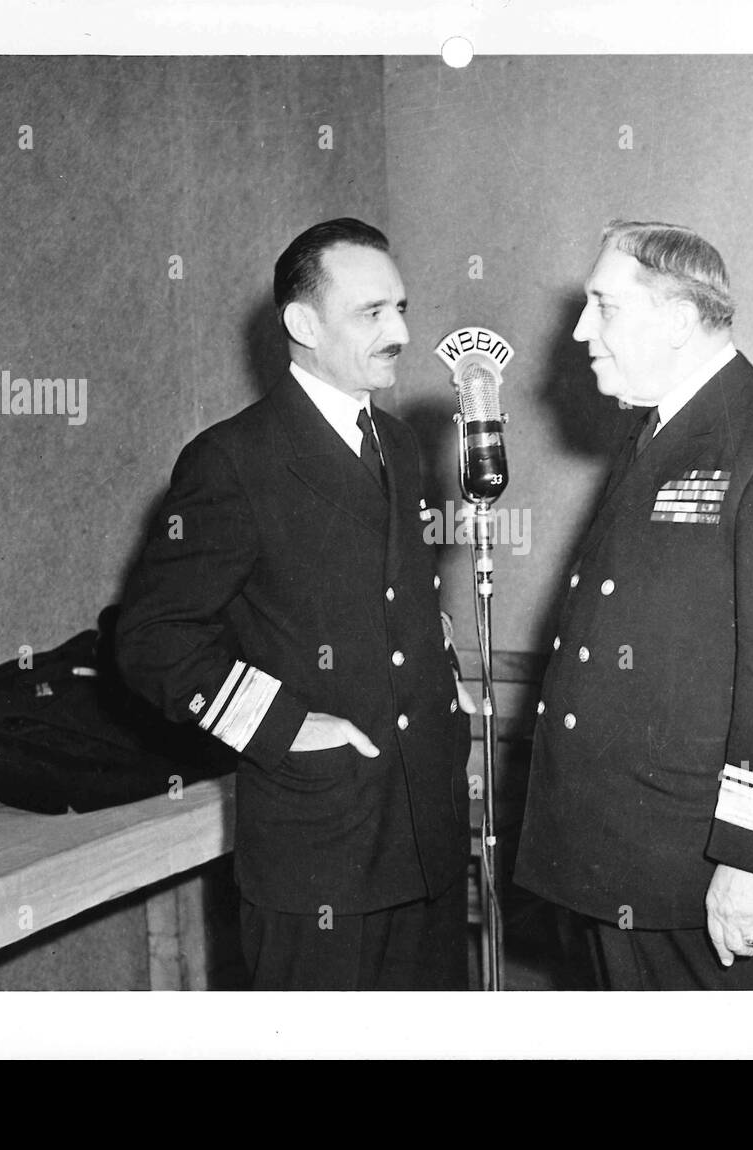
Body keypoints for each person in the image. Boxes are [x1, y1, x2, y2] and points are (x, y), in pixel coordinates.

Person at [116, 218, 474, 990]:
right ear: (303, 324)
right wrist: (283, 725)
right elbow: (151, 638)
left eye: (402, 308)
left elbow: (387, 601)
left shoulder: (402, 447)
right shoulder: (233, 461)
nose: (401, 332)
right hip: (323, 857)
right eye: (371, 313)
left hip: (427, 836)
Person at [514, 220, 753, 990]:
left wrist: (752, 860)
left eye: (603, 305)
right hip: (620, 852)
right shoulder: (658, 434)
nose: (578, 329)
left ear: (674, 321)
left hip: (692, 865)